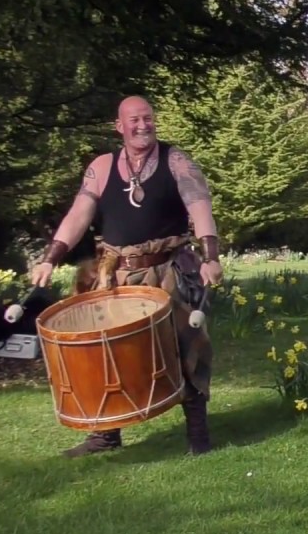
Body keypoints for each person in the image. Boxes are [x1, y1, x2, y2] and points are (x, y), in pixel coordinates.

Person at [30, 96, 223, 457]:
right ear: (119, 126)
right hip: (115, 274)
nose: (142, 125)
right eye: (133, 120)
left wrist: (210, 256)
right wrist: (49, 259)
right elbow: (78, 215)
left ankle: (198, 433)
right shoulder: (101, 167)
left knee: (187, 345)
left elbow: (200, 206)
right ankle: (106, 434)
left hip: (169, 269)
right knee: (104, 351)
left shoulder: (176, 160)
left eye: (148, 118)